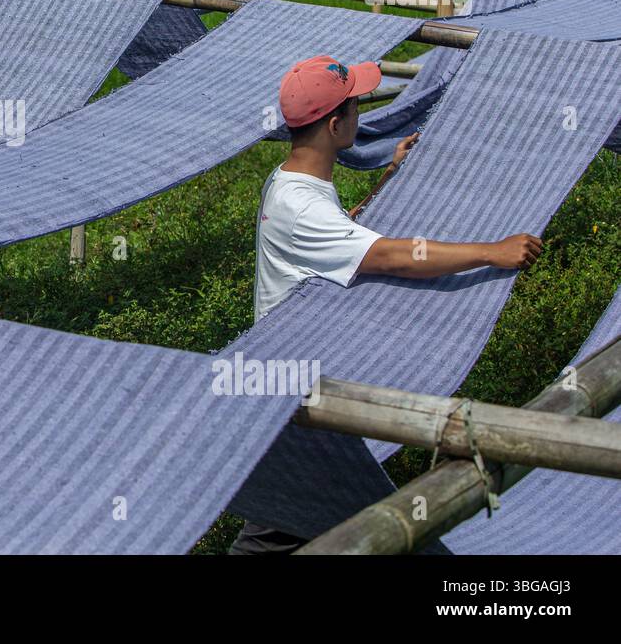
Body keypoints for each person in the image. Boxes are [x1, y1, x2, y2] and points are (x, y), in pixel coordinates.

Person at [230, 55, 543, 555]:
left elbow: (346, 235)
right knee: (291, 527)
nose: (360, 111)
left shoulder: (291, 181)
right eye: (355, 105)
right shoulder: (302, 206)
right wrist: (491, 251)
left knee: (303, 523)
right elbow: (391, 256)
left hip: (298, 389)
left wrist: (390, 177)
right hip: (295, 396)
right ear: (336, 125)